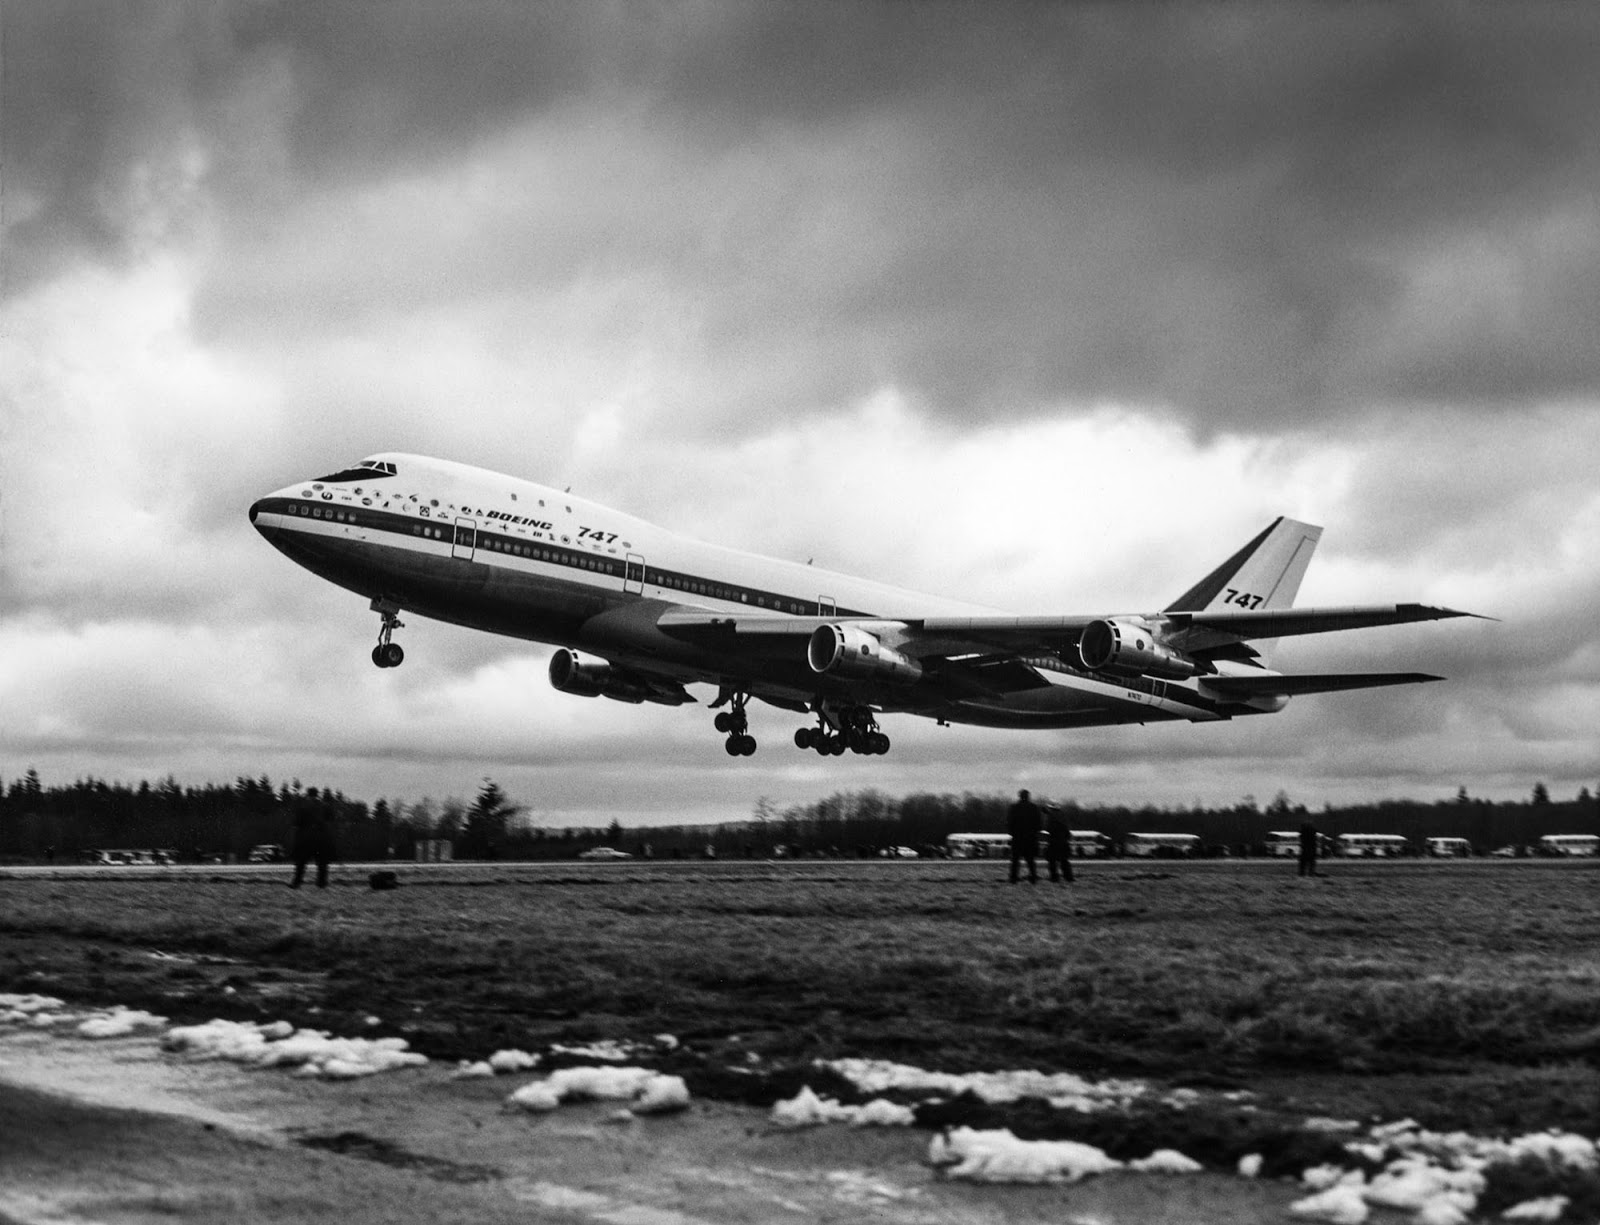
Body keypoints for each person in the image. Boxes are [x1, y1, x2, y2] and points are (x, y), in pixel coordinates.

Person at [290, 803, 336, 889]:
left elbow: (296, 825)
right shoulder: (323, 807)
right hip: (320, 840)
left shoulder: (303, 808)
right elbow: (329, 824)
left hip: (306, 840)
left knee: (301, 863)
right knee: (322, 864)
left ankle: (297, 882)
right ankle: (321, 883)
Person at [1008, 789, 1041, 883]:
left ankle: (1013, 878)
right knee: (1030, 860)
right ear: (1028, 796)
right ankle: (1033, 877)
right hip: (1030, 838)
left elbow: (1010, 822)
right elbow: (1038, 824)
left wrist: (1012, 833)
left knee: (1015, 860)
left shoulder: (1014, 807)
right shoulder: (1034, 808)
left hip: (1017, 838)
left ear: (1020, 796)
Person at [1044, 805, 1073, 883]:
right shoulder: (1063, 816)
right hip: (1063, 841)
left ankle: (1054, 877)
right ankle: (1068, 877)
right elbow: (1067, 831)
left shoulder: (1050, 816)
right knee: (1064, 861)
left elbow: (1048, 828)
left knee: (1052, 860)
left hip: (1054, 841)